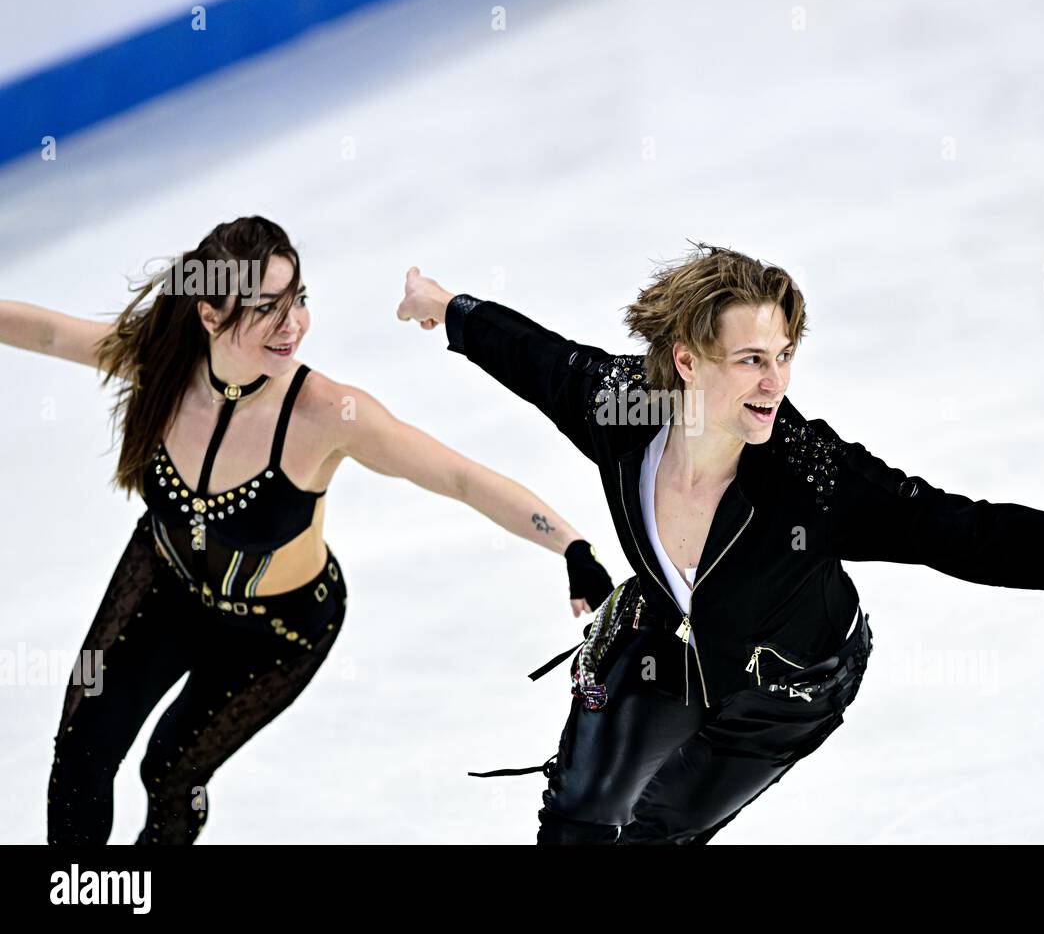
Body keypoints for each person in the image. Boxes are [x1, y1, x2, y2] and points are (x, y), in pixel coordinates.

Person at [397, 242, 1044, 844]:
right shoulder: (625, 408)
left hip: (788, 687)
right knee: (579, 820)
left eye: (782, 355)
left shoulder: (808, 475)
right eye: (748, 360)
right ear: (687, 364)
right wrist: (446, 308)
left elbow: (964, 531)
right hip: (666, 643)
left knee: (654, 833)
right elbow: (536, 357)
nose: (774, 381)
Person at [0, 216, 613, 844]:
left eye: (298, 299)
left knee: (170, 770)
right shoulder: (160, 361)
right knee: (80, 758)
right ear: (210, 314)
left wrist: (570, 544)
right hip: (163, 580)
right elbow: (49, 333)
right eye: (266, 307)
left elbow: (457, 477)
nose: (291, 323)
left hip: (276, 630)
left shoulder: (324, 413)